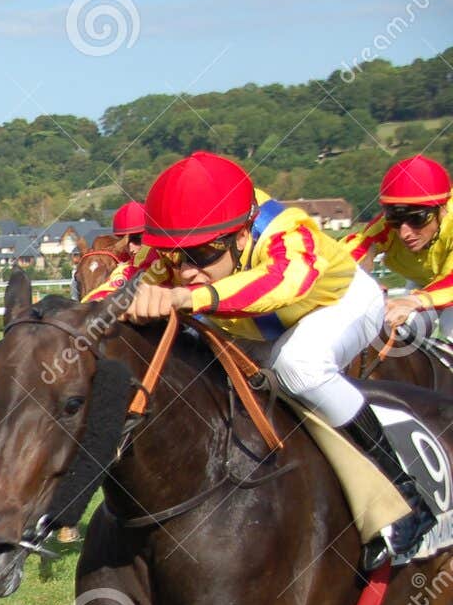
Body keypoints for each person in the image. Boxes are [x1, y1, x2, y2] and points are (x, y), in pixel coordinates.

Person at [85, 151, 436, 565]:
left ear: (241, 234)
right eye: (178, 258)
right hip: (260, 323)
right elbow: (117, 285)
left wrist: (188, 297)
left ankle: (404, 496)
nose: (187, 269)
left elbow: (281, 285)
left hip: (337, 303)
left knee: (298, 367)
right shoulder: (179, 249)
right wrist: (75, 320)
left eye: (203, 255)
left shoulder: (288, 230)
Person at [343, 155, 453, 341]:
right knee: (401, 326)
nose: (404, 233)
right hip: (423, 282)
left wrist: (413, 300)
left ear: (442, 210)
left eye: (417, 219)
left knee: (450, 327)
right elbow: (351, 253)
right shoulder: (386, 226)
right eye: (396, 220)